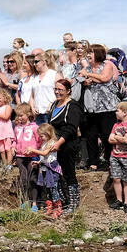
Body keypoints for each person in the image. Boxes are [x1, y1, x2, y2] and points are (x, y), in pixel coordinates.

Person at [79, 44, 120, 170]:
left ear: (98, 54)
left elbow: (105, 78)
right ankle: (93, 162)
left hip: (108, 107)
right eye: (88, 53)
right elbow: (80, 77)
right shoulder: (87, 68)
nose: (88, 55)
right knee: (91, 136)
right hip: (91, 108)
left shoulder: (107, 65)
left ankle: (110, 160)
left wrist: (88, 75)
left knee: (107, 135)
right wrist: (85, 80)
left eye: (91, 52)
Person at [47, 78, 83, 214]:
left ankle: (74, 204)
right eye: (55, 89)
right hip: (55, 145)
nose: (57, 92)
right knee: (57, 174)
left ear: (68, 91)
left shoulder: (73, 106)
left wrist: (59, 142)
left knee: (69, 173)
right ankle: (64, 201)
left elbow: (71, 128)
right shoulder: (54, 105)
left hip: (67, 144)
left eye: (60, 90)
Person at [108, 101, 127, 210]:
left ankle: (126, 202)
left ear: (125, 112)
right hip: (115, 156)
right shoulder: (116, 125)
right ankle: (119, 200)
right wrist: (121, 139)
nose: (116, 113)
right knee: (116, 178)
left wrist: (117, 138)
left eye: (118, 111)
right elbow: (110, 139)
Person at [33, 123, 64, 218]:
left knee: (54, 188)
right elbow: (43, 156)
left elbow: (45, 153)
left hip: (52, 168)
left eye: (42, 136)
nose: (40, 138)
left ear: (48, 134)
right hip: (44, 168)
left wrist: (32, 150)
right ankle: (49, 206)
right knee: (47, 189)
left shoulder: (52, 142)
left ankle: (58, 208)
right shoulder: (44, 144)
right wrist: (38, 162)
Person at [12, 103, 40, 207]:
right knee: (23, 179)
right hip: (20, 156)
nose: (19, 118)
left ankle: (34, 203)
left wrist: (34, 150)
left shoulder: (34, 127)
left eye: (21, 115)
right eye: (17, 115)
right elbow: (14, 140)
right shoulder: (17, 127)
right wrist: (13, 147)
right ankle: (25, 201)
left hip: (32, 156)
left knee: (32, 178)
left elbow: (39, 142)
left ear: (28, 114)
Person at [0, 88, 15, 171]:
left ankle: (9, 164)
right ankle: (4, 165)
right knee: (1, 150)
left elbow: (6, 117)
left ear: (4, 98)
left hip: (6, 130)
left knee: (8, 148)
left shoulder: (7, 107)